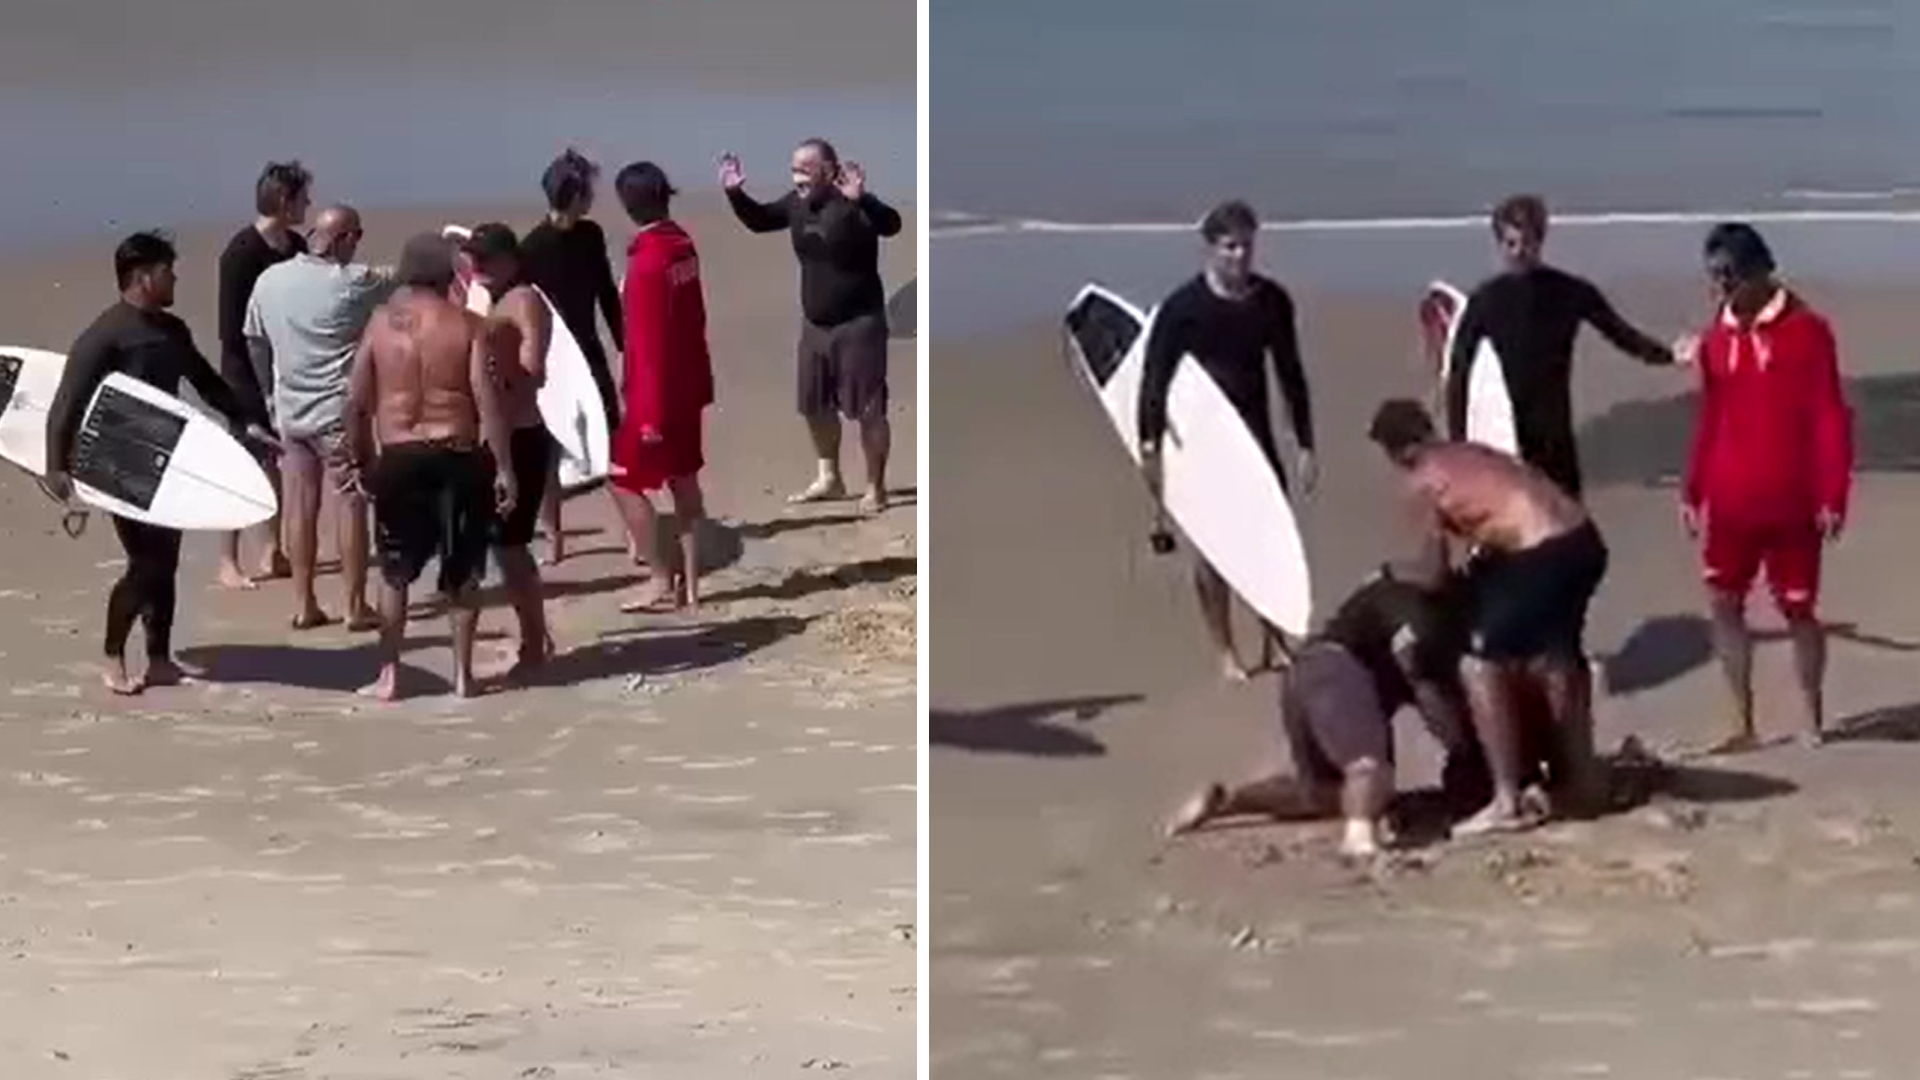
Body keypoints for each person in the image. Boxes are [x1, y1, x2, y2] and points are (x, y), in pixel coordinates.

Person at [43, 231, 276, 695]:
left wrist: (243, 420)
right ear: (142, 277)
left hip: (164, 458)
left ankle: (159, 658)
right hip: (118, 464)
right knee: (146, 563)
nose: (175, 278)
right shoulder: (106, 334)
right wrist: (57, 467)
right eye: (168, 271)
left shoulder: (171, 331)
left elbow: (205, 381)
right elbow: (66, 403)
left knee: (165, 561)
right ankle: (113, 656)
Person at [1368, 398, 1609, 835]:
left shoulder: (1423, 480)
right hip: (1584, 541)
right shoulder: (1473, 452)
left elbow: (1432, 574)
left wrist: (1386, 573)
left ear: (1398, 451)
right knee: (1558, 656)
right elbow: (1504, 516)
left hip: (1543, 554)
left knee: (1479, 661)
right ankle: (1584, 781)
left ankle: (1505, 799)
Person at [1165, 570, 1489, 858]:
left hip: (1304, 674)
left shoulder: (1393, 597)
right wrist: (1463, 747)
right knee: (1368, 768)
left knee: (1322, 794)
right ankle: (1359, 840)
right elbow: (1422, 679)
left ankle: (1228, 801)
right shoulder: (1423, 615)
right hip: (1336, 670)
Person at [1678, 223, 1853, 752]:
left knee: (1797, 608)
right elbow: (1710, 417)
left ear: (1758, 270)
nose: (1720, 286)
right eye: (1713, 276)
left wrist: (1832, 495)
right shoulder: (1715, 338)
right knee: (1723, 601)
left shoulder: (1809, 330)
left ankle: (1812, 718)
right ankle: (1742, 723)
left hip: (1793, 500)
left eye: (1728, 275)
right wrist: (1692, 490)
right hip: (1730, 501)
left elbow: (1830, 417)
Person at [1137, 199, 1316, 682]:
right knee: (1213, 554)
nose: (1240, 256)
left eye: (1247, 246)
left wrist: (1304, 443)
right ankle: (1225, 650)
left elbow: (1290, 373)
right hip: (1201, 443)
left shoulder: (1272, 301)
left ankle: (1273, 640)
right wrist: (1150, 447)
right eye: (1230, 246)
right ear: (1210, 248)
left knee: (1267, 542)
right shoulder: (1182, 309)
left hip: (1256, 437)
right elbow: (1154, 381)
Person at [345, 234, 516, 701]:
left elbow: (356, 402)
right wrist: (504, 468)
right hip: (459, 455)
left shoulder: (380, 325)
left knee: (395, 573)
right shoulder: (467, 325)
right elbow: (487, 402)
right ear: (446, 275)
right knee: (462, 571)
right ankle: (464, 677)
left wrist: (360, 458)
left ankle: (389, 676)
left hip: (399, 456)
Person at [1447, 194, 1676, 499]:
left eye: (1527, 243)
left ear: (1540, 241)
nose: (1519, 252)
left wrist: (1670, 355)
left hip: (1557, 438)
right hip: (1512, 441)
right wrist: (1459, 444)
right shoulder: (1485, 302)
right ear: (1499, 243)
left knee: (1568, 527)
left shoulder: (1570, 292)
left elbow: (1622, 336)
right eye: (1510, 243)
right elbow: (1459, 372)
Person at [719, 138, 902, 513]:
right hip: (815, 325)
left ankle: (875, 487)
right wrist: (736, 193)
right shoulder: (797, 203)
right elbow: (760, 220)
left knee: (869, 410)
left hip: (859, 323)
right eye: (793, 167)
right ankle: (830, 478)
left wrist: (863, 199)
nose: (796, 174)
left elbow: (892, 225)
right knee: (814, 405)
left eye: (805, 167)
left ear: (829, 170)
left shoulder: (853, 202)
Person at [244, 205, 394, 632]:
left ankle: (304, 604)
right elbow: (405, 275)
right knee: (351, 501)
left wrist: (270, 395)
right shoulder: (350, 281)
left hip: (291, 413)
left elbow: (254, 342)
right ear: (342, 238)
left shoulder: (269, 280)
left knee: (300, 507)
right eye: (357, 236)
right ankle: (354, 604)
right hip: (336, 415)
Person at [608, 162, 714, 613]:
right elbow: (696, 319)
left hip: (658, 393)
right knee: (685, 482)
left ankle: (658, 575)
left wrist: (647, 414)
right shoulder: (682, 247)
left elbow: (648, 343)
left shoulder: (648, 262)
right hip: (688, 385)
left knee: (621, 478)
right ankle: (691, 587)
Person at [519, 148, 627, 565]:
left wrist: (625, 347)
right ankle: (553, 535)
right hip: (553, 359)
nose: (594, 197)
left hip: (590, 350)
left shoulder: (591, 235)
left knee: (612, 442)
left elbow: (605, 295)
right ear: (574, 194)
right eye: (589, 190)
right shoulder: (531, 248)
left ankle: (630, 531)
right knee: (549, 450)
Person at [459, 224, 555, 679]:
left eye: (486, 257)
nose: (477, 265)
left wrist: (496, 361)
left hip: (522, 436)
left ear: (511, 259)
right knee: (501, 549)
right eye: (472, 256)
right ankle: (535, 636)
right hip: (498, 436)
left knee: (513, 549)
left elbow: (535, 371)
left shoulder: (525, 300)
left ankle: (536, 642)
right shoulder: (492, 300)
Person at [215, 160, 312, 589]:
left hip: (282, 367)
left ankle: (272, 548)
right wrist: (249, 395)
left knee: (274, 459)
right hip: (242, 373)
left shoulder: (294, 245)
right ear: (283, 201)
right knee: (241, 463)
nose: (309, 203)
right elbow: (229, 332)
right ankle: (227, 559)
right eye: (303, 198)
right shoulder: (240, 253)